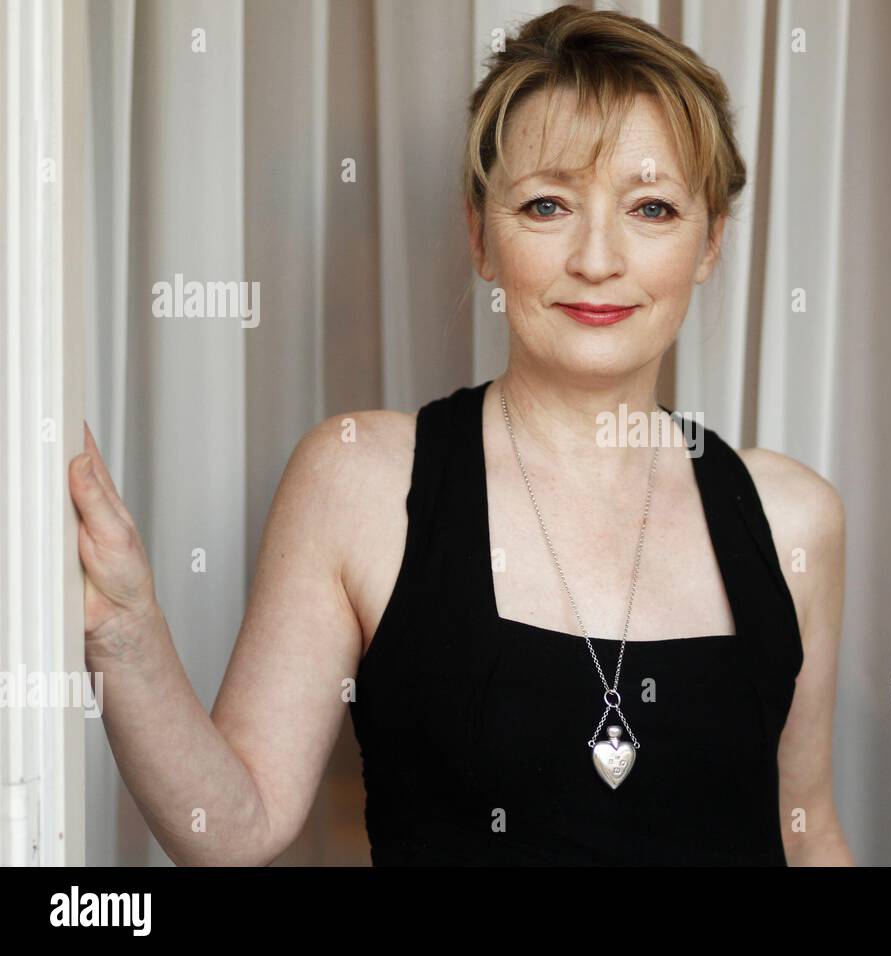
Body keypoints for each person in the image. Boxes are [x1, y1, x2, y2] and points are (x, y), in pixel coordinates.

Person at [71, 4, 851, 866]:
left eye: (653, 209)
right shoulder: (361, 480)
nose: (598, 258)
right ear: (482, 236)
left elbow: (804, 828)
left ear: (710, 243)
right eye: (548, 204)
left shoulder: (792, 518)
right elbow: (235, 830)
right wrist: (124, 628)